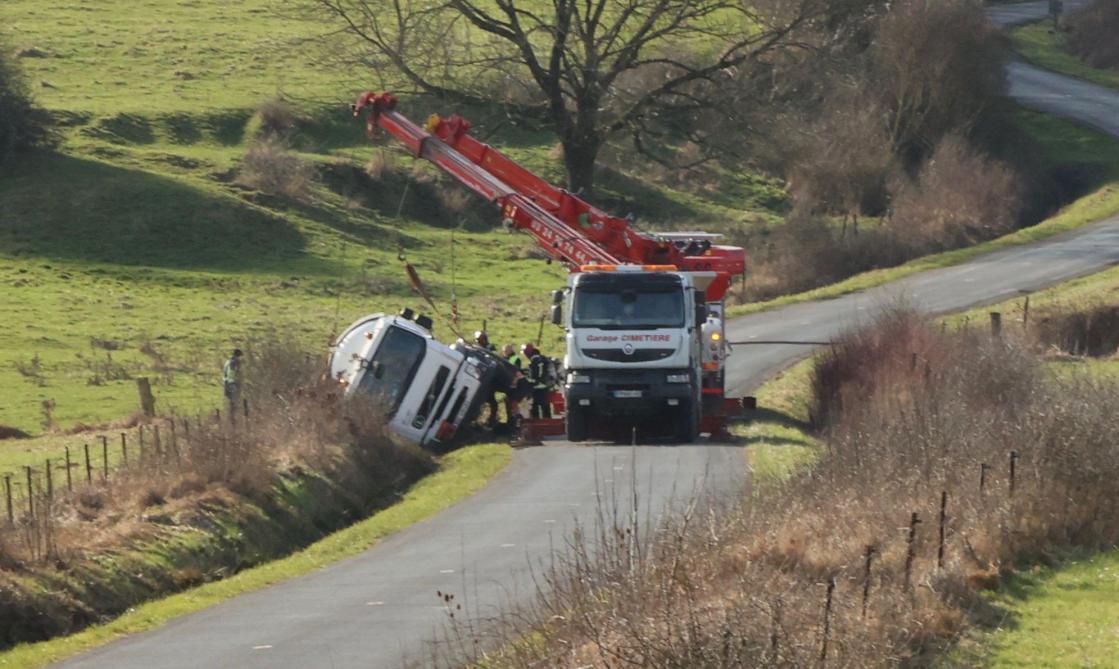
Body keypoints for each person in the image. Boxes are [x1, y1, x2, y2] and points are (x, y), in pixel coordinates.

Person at [524, 343, 552, 419]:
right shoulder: (544, 358)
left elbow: (533, 375)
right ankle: (548, 423)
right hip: (545, 386)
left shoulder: (533, 361)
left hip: (536, 387)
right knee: (545, 406)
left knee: (534, 407)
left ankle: (536, 425)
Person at [222, 349, 244, 417]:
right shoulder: (235, 362)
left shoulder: (227, 362)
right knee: (235, 403)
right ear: (238, 356)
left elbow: (225, 373)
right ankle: (234, 418)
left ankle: (232, 418)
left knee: (231, 403)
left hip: (227, 383)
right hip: (233, 383)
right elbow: (237, 372)